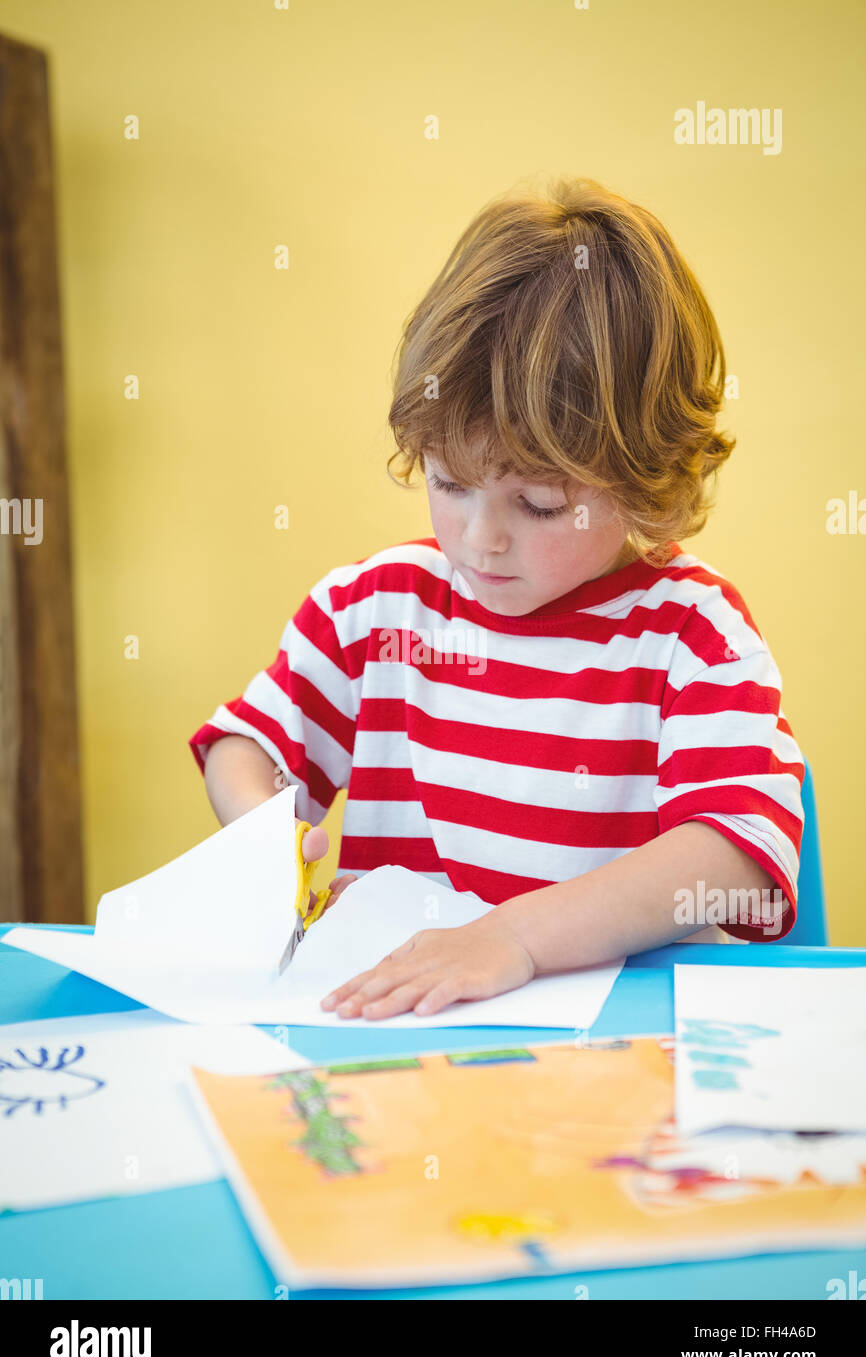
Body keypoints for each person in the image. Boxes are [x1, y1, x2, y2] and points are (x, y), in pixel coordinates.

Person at [189, 176, 805, 1020]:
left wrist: (515, 937)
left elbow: (736, 855)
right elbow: (243, 749)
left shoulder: (691, 636)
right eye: (449, 482)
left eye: (539, 504)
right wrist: (264, 836)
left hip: (611, 1064)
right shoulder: (375, 610)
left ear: (643, 478)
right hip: (394, 1044)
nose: (480, 539)